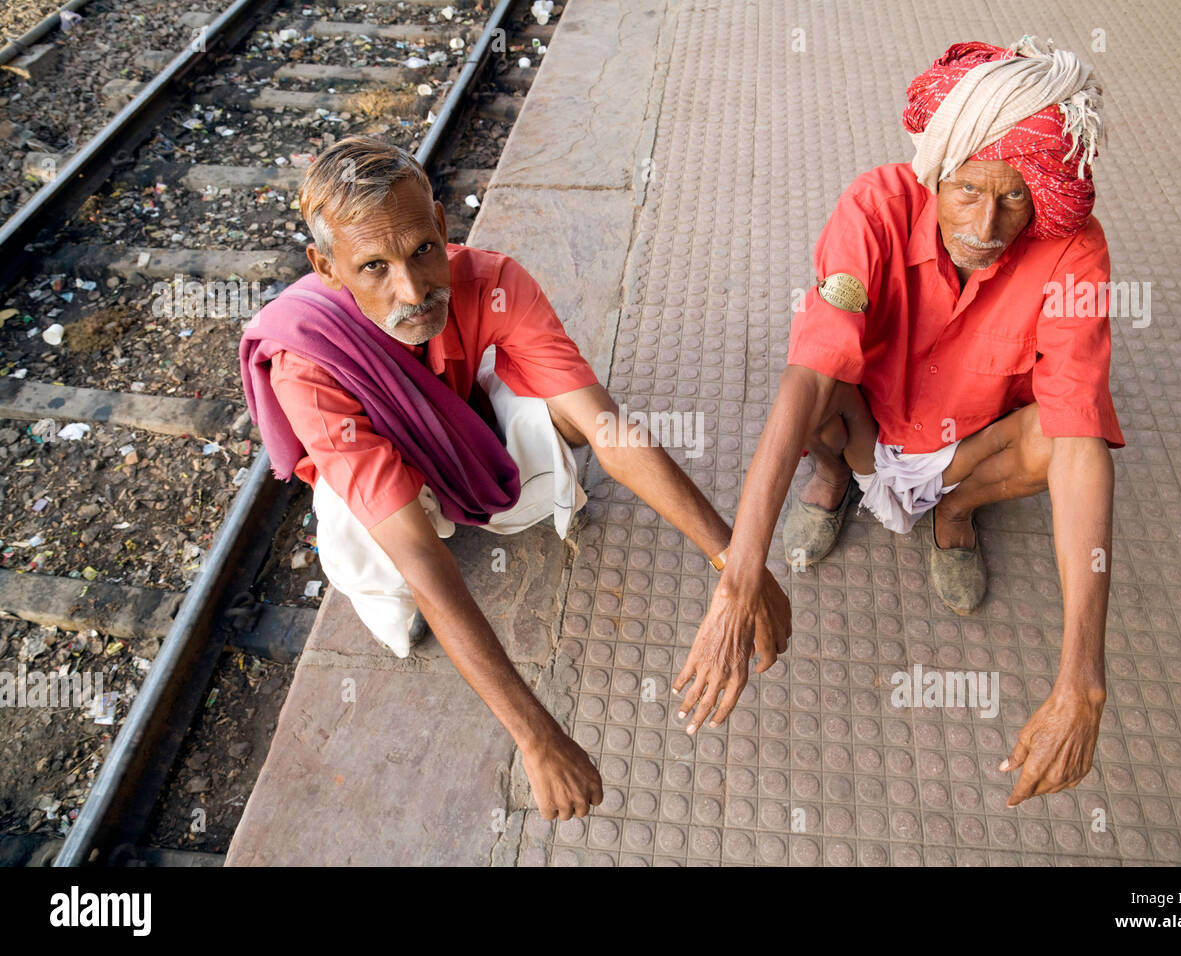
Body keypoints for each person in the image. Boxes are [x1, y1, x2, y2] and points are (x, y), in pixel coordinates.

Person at [239, 136, 791, 822]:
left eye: (422, 251)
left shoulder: (495, 280)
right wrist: (536, 735)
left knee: (562, 408)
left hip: (457, 424)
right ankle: (401, 620)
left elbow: (608, 432)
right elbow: (422, 556)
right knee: (364, 534)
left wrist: (736, 564)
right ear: (327, 268)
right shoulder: (311, 365)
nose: (411, 291)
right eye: (373, 267)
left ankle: (494, 488)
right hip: (383, 480)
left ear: (443, 227)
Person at [676, 37, 1122, 808]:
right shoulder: (874, 207)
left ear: (1043, 197)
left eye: (1015, 197)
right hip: (866, 423)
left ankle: (956, 509)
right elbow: (809, 376)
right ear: (936, 170)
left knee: (1061, 433)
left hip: (968, 445)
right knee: (816, 391)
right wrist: (739, 573)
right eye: (969, 191)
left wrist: (1082, 681)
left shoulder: (1073, 249)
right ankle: (833, 480)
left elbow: (1080, 438)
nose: (987, 223)